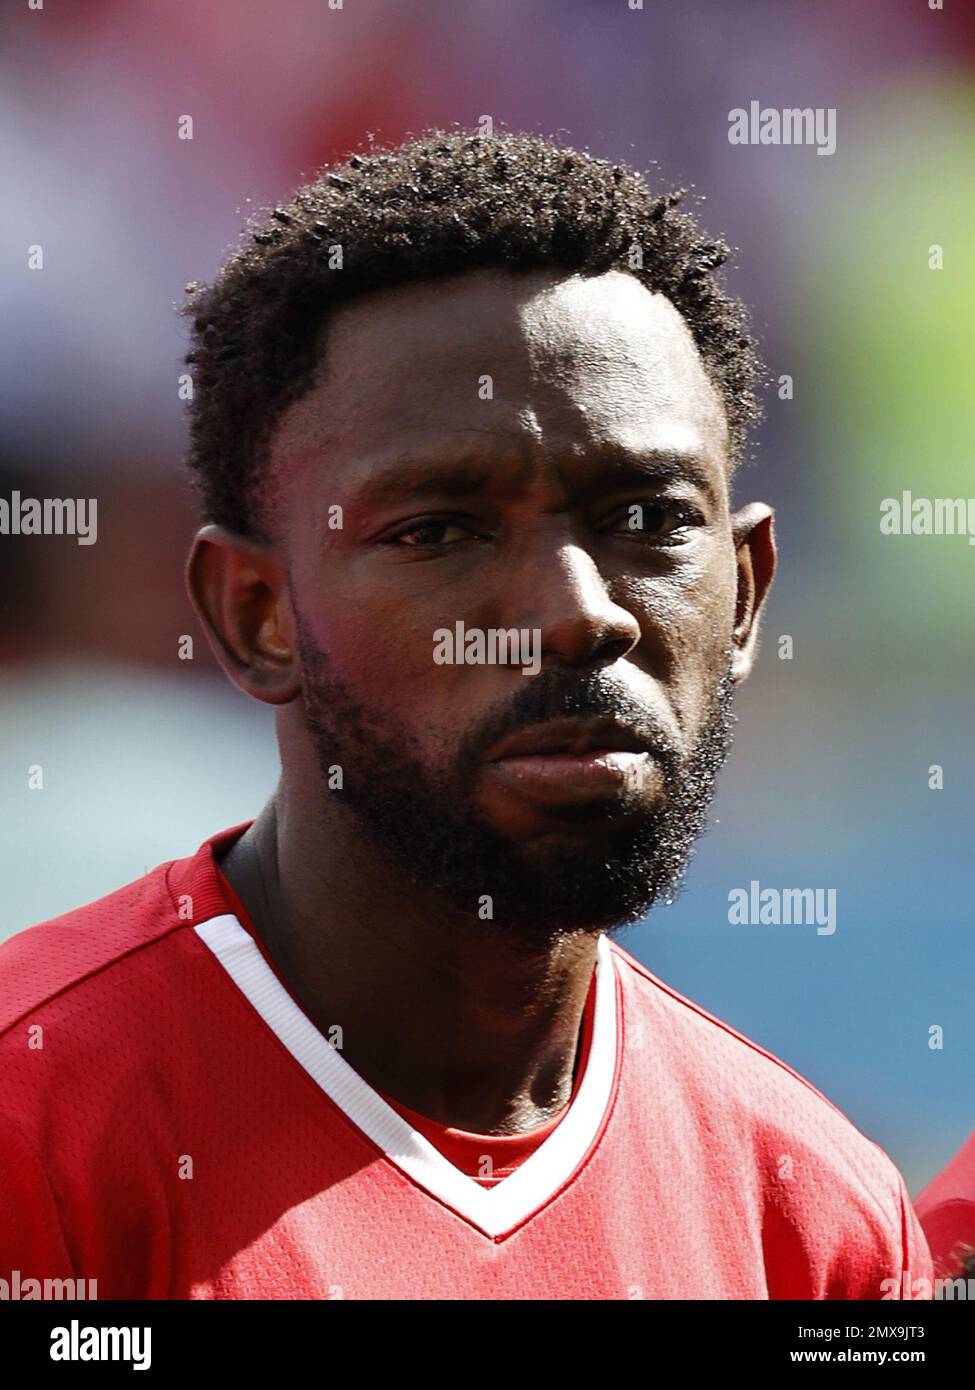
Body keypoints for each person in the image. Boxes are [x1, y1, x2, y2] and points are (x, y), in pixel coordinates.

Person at [0, 129, 931, 1299]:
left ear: (745, 593)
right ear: (256, 615)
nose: (581, 614)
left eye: (647, 517)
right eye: (438, 530)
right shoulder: (31, 1128)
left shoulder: (820, 1220)